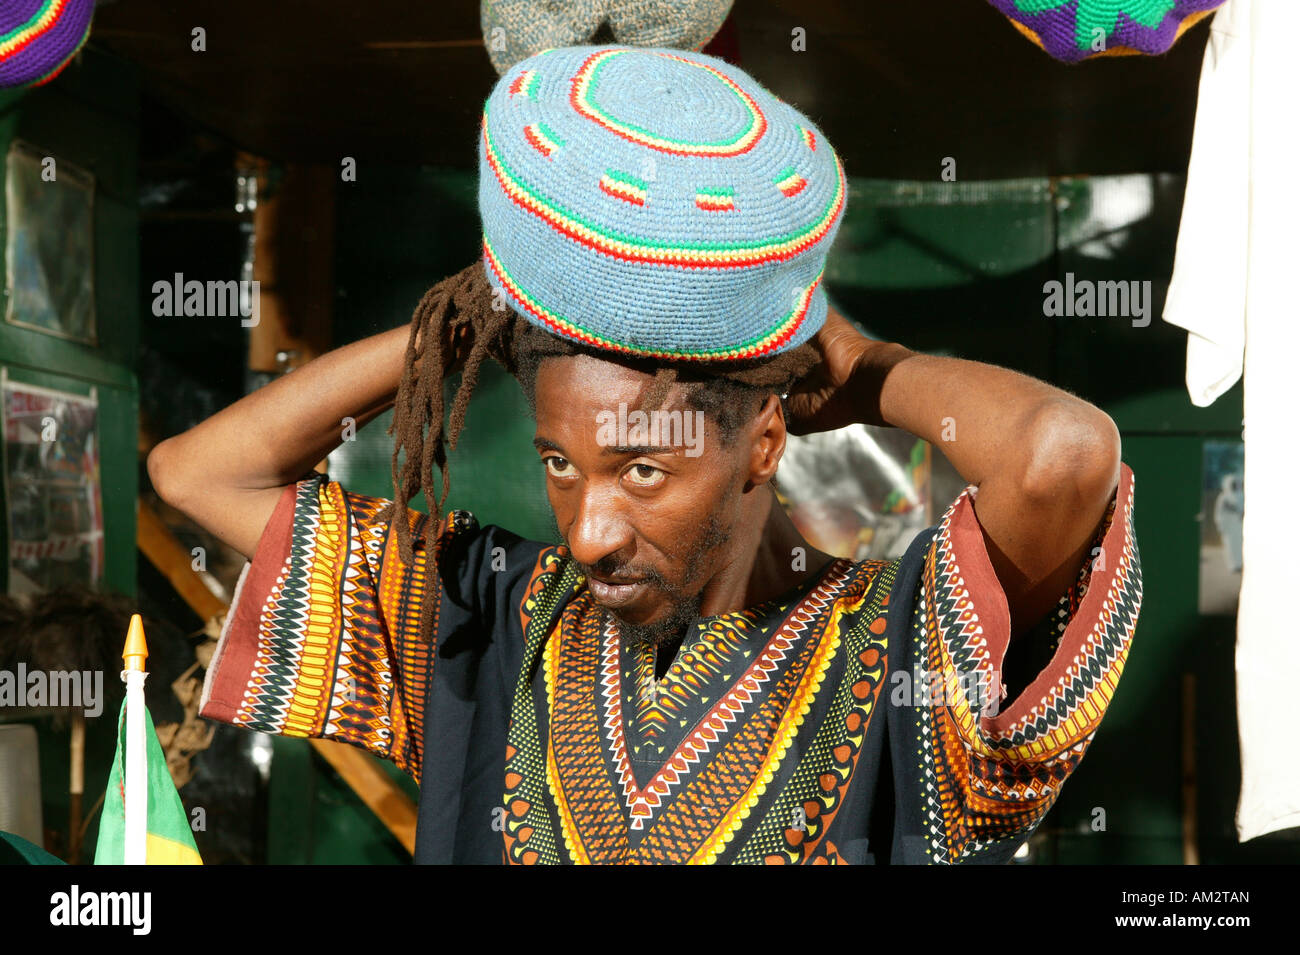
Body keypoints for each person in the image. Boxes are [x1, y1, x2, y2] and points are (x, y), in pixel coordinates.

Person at [150, 46, 1142, 864]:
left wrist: (865, 363)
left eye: (641, 471)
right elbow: (197, 472)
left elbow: (1060, 453)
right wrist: (479, 310)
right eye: (558, 464)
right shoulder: (492, 616)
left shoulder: (889, 644)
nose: (586, 531)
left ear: (761, 444)